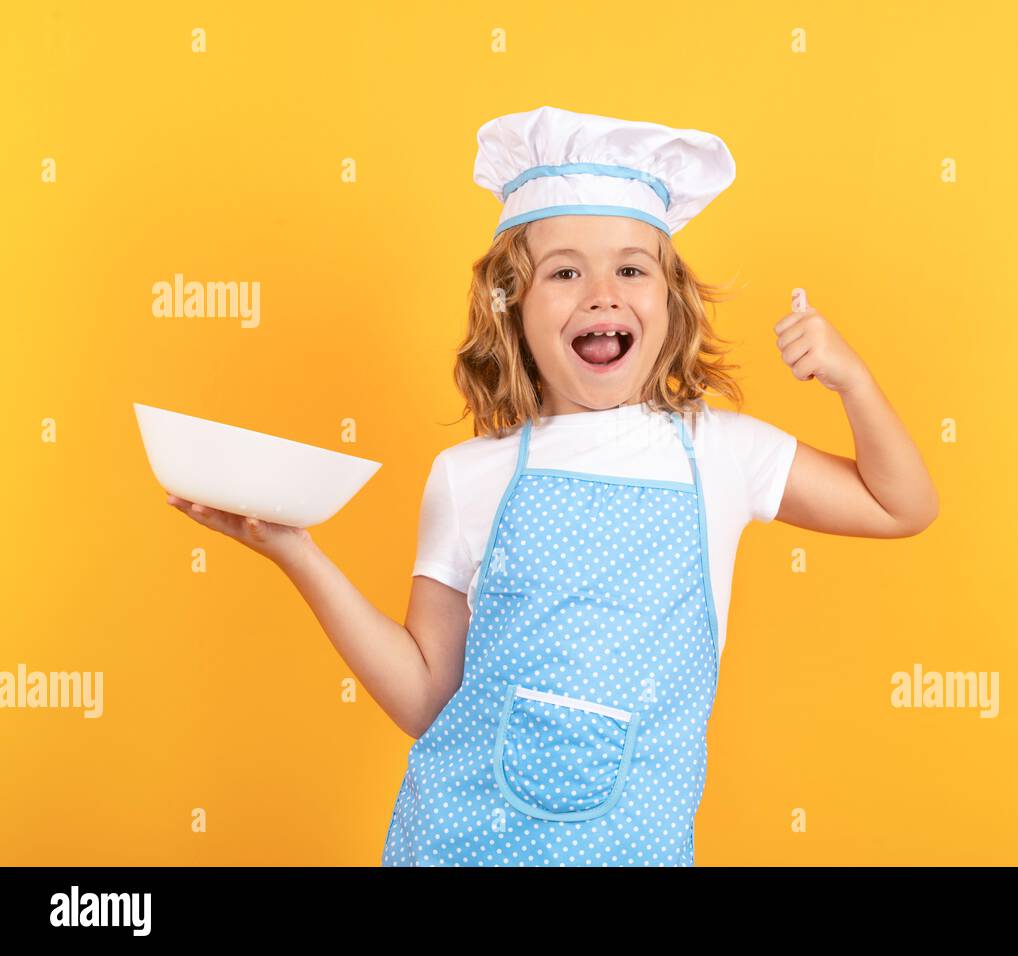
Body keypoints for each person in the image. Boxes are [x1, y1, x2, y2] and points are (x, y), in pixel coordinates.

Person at [165, 105, 940, 866]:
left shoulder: (721, 454)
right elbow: (428, 700)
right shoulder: (470, 475)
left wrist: (853, 383)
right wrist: (297, 551)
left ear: (669, 304)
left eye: (631, 268)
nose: (602, 293)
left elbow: (900, 504)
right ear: (513, 306)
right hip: (456, 841)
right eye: (565, 270)